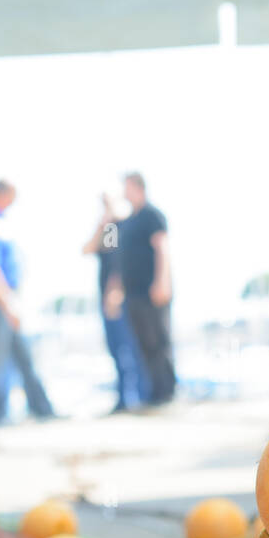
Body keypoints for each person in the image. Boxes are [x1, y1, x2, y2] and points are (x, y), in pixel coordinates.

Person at [0, 179, 56, 426]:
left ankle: (41, 407)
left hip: (10, 296)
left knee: (22, 354)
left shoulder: (3, 223)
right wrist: (7, 303)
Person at [103, 172, 176, 406]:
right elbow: (111, 251)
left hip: (151, 289)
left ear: (136, 187)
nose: (123, 193)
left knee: (159, 341)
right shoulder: (123, 223)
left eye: (126, 187)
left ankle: (167, 393)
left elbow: (162, 249)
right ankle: (153, 394)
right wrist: (114, 290)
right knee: (142, 344)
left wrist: (162, 281)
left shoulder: (152, 215)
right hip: (131, 293)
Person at [82, 192, 150, 413]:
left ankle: (137, 398)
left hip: (119, 298)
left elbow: (118, 265)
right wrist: (103, 223)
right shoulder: (109, 228)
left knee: (129, 349)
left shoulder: (125, 225)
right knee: (116, 349)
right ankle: (124, 399)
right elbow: (90, 249)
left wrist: (114, 291)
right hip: (108, 297)